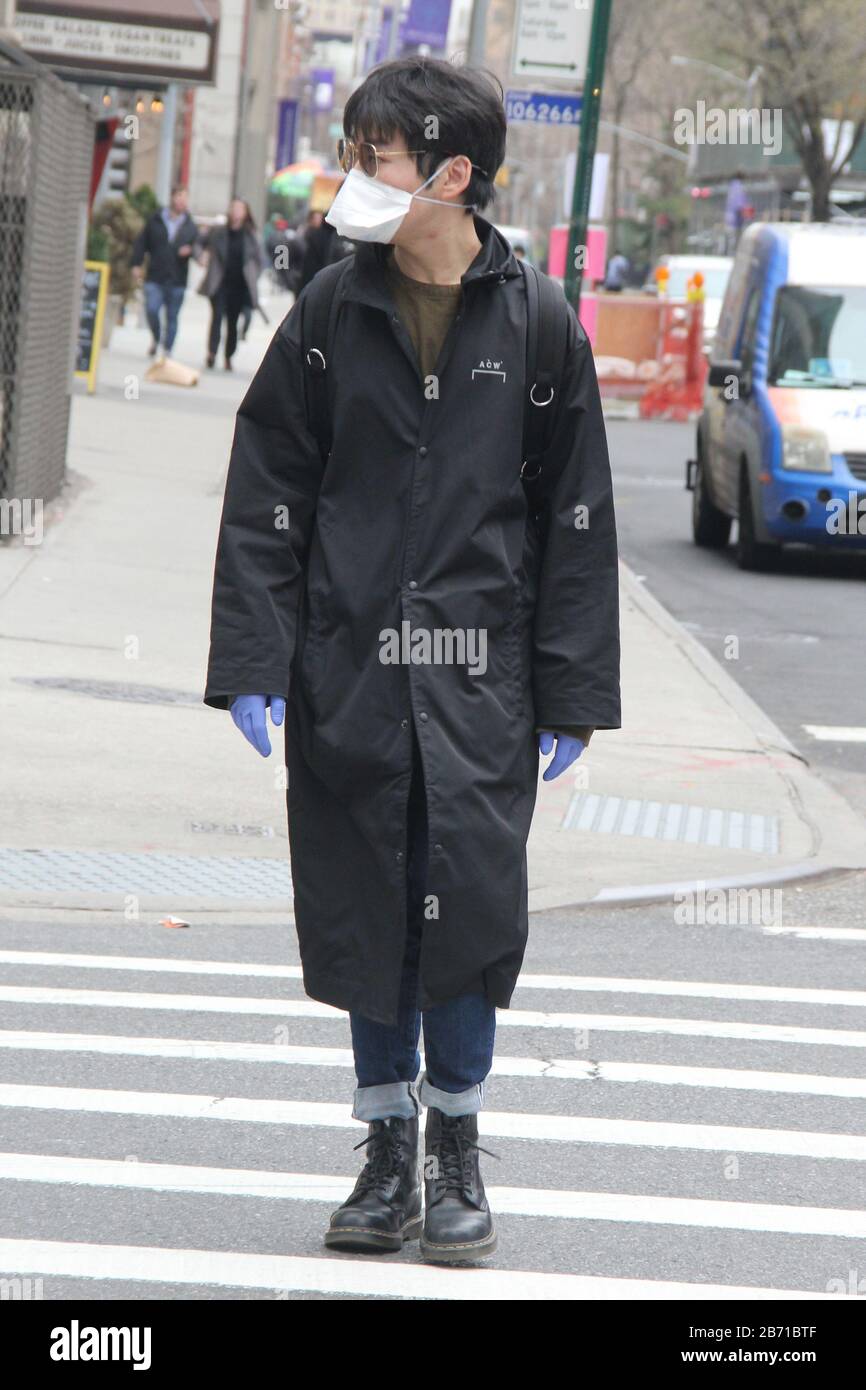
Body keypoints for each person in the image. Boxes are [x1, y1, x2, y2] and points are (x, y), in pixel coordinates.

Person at [203, 56, 620, 1266]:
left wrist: (571, 693)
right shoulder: (332, 310)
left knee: (469, 913)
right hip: (352, 669)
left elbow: (573, 522)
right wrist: (255, 658)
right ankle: (385, 1154)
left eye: (371, 155)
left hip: (481, 684)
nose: (352, 178)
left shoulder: (539, 325)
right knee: (365, 901)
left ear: (448, 174)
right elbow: (266, 487)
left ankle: (455, 1147)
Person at [130, 185, 199, 358]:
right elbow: (141, 243)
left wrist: (192, 252)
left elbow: (198, 246)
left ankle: (167, 349)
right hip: (155, 275)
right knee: (152, 309)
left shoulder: (191, 225)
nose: (182, 201)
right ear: (172, 197)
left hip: (177, 278)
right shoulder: (155, 219)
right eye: (179, 196)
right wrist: (136, 264)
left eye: (185, 197)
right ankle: (156, 337)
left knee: (172, 316)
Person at [197, 197, 265, 370]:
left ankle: (228, 356)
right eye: (233, 208)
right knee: (216, 318)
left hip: (239, 286)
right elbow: (199, 243)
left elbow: (260, 260)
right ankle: (212, 353)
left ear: (245, 213)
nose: (235, 212)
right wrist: (201, 256)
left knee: (233, 323)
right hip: (219, 283)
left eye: (239, 209)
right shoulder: (218, 231)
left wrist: (253, 275)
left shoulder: (250, 235)